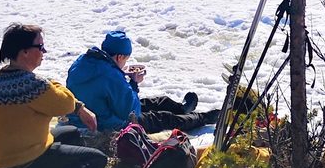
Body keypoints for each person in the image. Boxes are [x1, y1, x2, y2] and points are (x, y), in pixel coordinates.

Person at [0, 24, 106, 168]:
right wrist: (53, 84)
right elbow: (66, 103)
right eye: (40, 47)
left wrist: (72, 103)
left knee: (70, 132)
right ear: (24, 52)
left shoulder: (0, 76)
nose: (44, 51)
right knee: (97, 159)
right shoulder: (31, 85)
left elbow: (56, 96)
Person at [67, 30, 219, 136]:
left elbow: (102, 86)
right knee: (162, 118)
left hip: (91, 113)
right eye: (125, 58)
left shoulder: (84, 61)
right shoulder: (111, 76)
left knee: (157, 101)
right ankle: (204, 118)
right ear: (119, 57)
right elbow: (131, 112)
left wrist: (121, 76)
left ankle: (181, 108)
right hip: (108, 124)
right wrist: (133, 83)